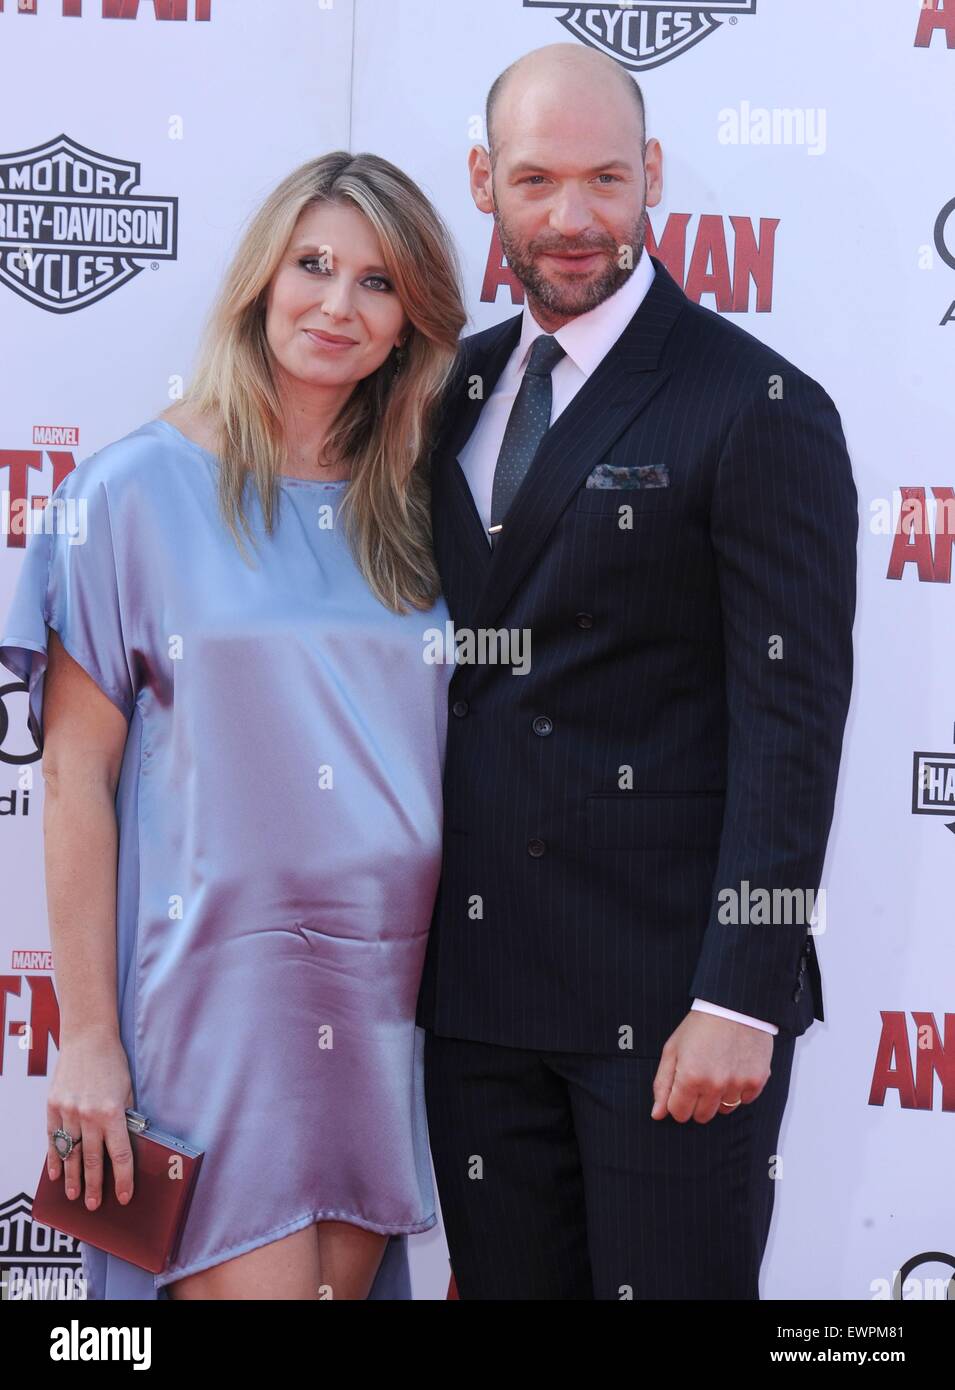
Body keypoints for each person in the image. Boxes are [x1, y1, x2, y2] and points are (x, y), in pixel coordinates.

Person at [417, 43, 858, 1299]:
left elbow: (793, 721)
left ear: (653, 174)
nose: (573, 218)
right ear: (483, 182)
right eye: (538, 179)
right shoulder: (450, 389)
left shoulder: (754, 402)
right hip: (482, 1002)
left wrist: (742, 993)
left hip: (671, 1008)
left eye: (607, 179)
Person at [1, 151, 466, 1300]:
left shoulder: (419, 511)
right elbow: (74, 783)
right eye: (313, 265)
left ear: (410, 320)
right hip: (210, 1003)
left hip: (378, 1001)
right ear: (261, 277)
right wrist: (91, 1042)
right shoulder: (127, 495)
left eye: (377, 281)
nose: (336, 305)